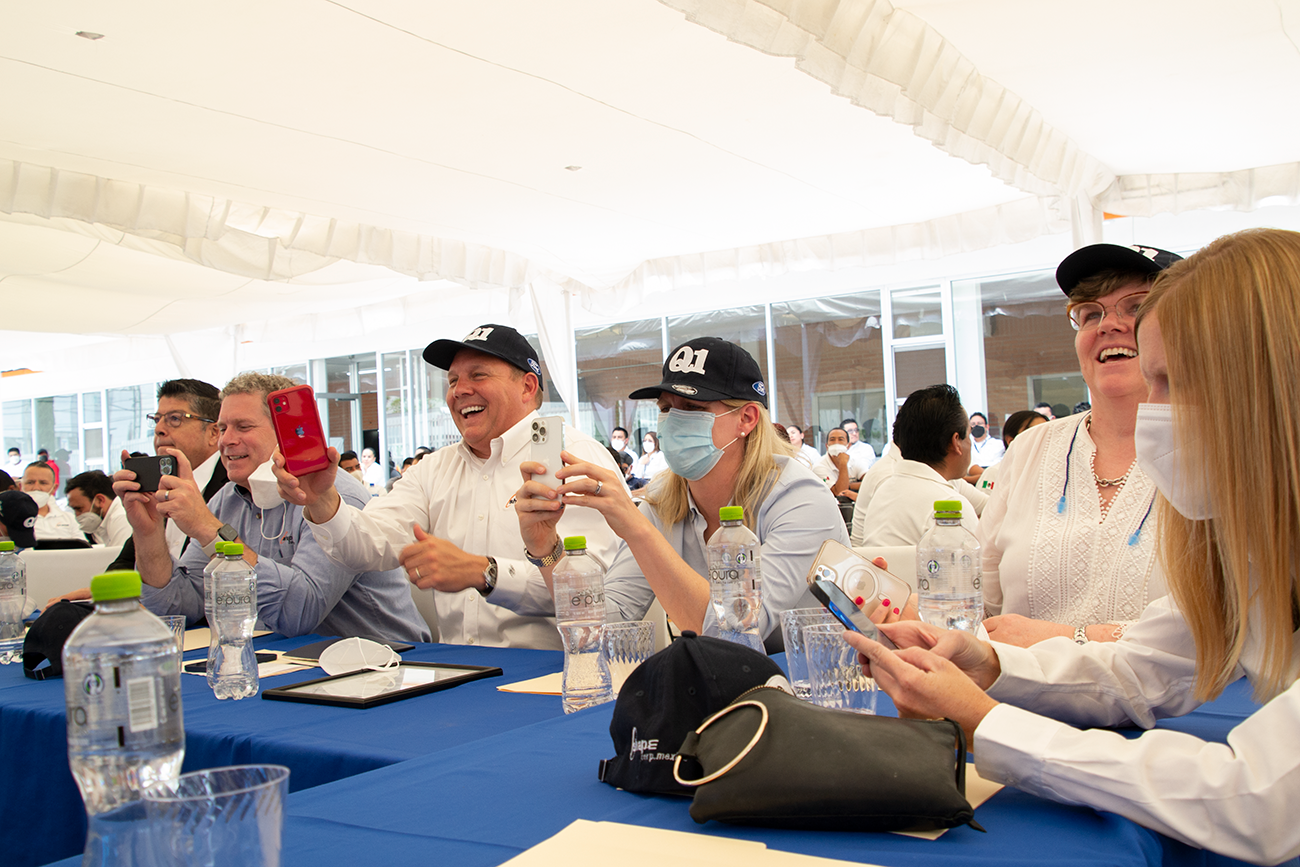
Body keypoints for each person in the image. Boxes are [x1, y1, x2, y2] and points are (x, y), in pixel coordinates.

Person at [849, 228, 1300, 865]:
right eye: (1091, 313)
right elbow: (1144, 668)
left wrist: (988, 720)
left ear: (1266, 386)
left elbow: (1255, 800)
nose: (1153, 413)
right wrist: (990, 666)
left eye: (1170, 382)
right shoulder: (1252, 544)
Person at [274, 324, 620, 650]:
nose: (459, 390)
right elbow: (365, 547)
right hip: (458, 670)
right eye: (452, 380)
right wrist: (321, 500)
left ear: (528, 387)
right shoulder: (435, 468)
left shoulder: (575, 458)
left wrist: (485, 572)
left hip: (554, 673)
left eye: (478, 375)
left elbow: (592, 596)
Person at [515, 337, 848, 651]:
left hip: (822, 677)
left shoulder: (801, 499)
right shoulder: (663, 502)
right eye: (665, 408)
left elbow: (738, 632)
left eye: (690, 407)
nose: (672, 422)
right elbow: (605, 626)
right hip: (727, 681)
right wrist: (547, 548)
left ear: (746, 418)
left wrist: (637, 529)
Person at [114, 372, 429, 642]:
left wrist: (210, 531)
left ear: (284, 434)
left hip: (384, 665)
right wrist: (148, 533)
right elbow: (177, 609)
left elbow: (300, 613)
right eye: (222, 428)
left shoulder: (333, 495)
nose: (225, 440)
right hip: (289, 666)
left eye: (243, 427)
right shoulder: (227, 499)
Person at [979, 244, 1181, 647]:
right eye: (1090, 314)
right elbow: (980, 597)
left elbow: (1232, 626)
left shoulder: (1214, 454)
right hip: (1015, 683)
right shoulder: (1030, 449)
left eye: (1136, 307)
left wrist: (1071, 638)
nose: (1109, 325)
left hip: (1179, 691)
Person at [859, 385, 982, 546]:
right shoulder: (949, 509)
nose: (970, 444)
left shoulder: (884, 491)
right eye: (969, 435)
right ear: (956, 441)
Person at [974, 409, 1047, 492]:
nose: (1042, 438)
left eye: (1046, 433)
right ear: (1011, 441)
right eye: (1035, 433)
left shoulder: (1050, 472)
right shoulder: (995, 474)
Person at [20, 462, 84, 543]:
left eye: (43, 483)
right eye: (30, 482)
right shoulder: (12, 517)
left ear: (54, 488)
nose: (36, 488)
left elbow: (84, 547)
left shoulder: (68, 518)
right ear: (20, 486)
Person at [64, 471, 131, 547]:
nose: (77, 516)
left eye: (79, 509)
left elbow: (118, 553)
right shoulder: (108, 520)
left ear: (100, 500)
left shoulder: (121, 517)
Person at [810, 428, 856, 500]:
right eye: (832, 440)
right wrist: (843, 464)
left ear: (848, 445)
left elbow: (870, 482)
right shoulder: (819, 467)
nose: (836, 443)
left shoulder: (854, 461)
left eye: (840, 439)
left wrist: (850, 485)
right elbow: (840, 493)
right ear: (826, 446)